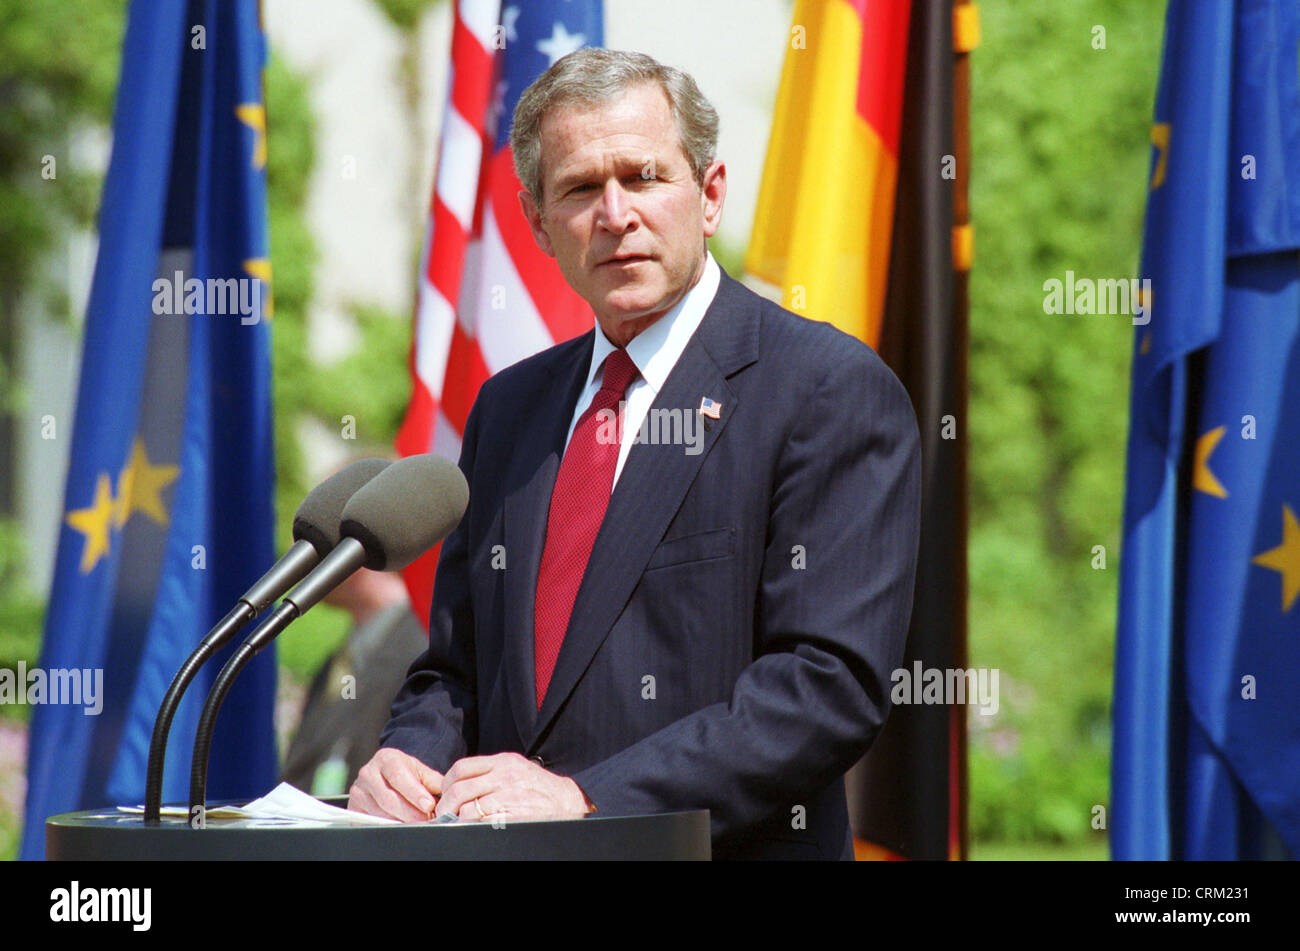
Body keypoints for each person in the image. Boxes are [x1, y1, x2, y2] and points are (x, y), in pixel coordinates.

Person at [348, 47, 921, 860]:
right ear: (540, 222)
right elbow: (454, 671)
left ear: (710, 194)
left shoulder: (824, 391)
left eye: (644, 177)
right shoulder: (508, 412)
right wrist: (408, 756)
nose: (615, 213)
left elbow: (822, 688)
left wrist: (589, 798)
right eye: (581, 188)